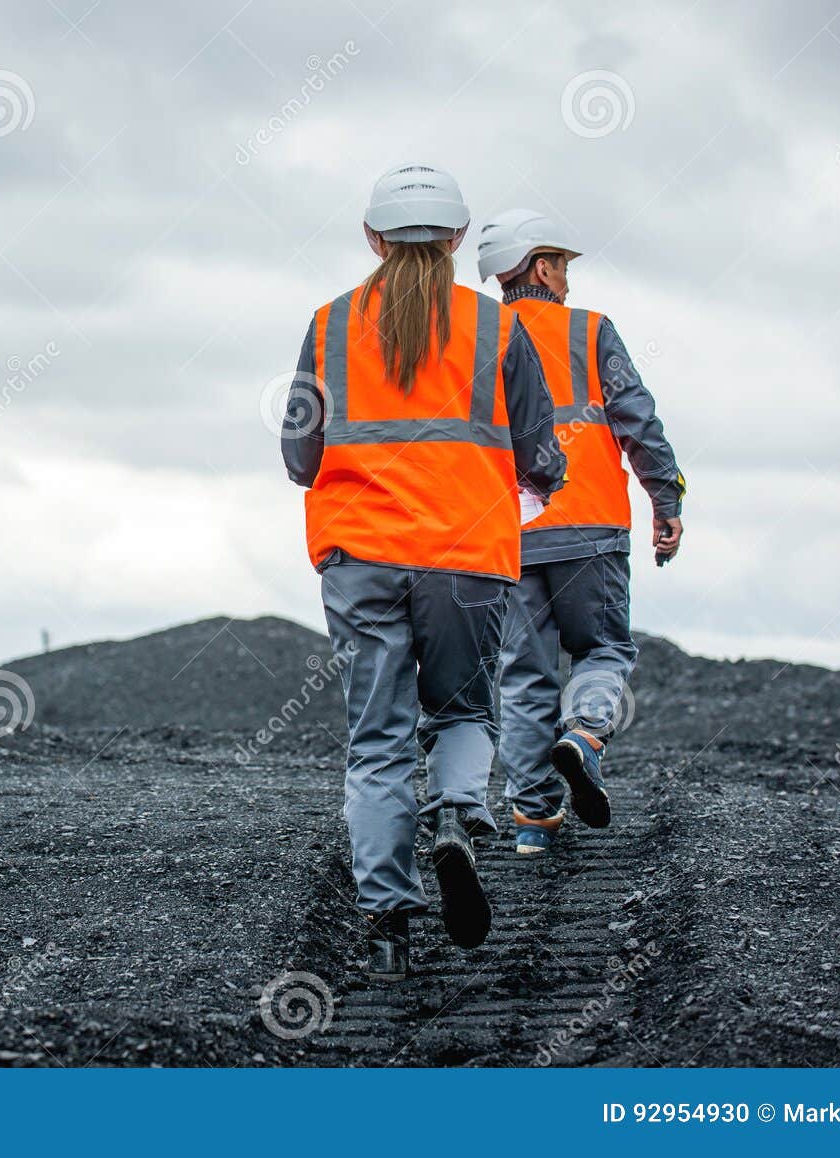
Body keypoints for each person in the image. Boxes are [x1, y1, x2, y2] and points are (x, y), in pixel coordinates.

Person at [282, 165, 566, 976]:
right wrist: (536, 483)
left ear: (372, 237)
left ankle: (390, 925)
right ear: (458, 238)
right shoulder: (498, 329)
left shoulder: (329, 326)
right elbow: (542, 452)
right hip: (468, 554)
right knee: (465, 709)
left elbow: (300, 453)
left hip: (360, 553)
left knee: (377, 741)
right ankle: (458, 818)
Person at [474, 209, 686, 855]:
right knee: (603, 651)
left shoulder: (477, 337)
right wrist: (665, 495)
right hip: (591, 524)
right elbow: (637, 419)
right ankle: (586, 733)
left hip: (508, 533)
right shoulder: (591, 330)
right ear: (541, 266)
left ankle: (533, 821)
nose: (566, 278)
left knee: (524, 675)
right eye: (561, 264)